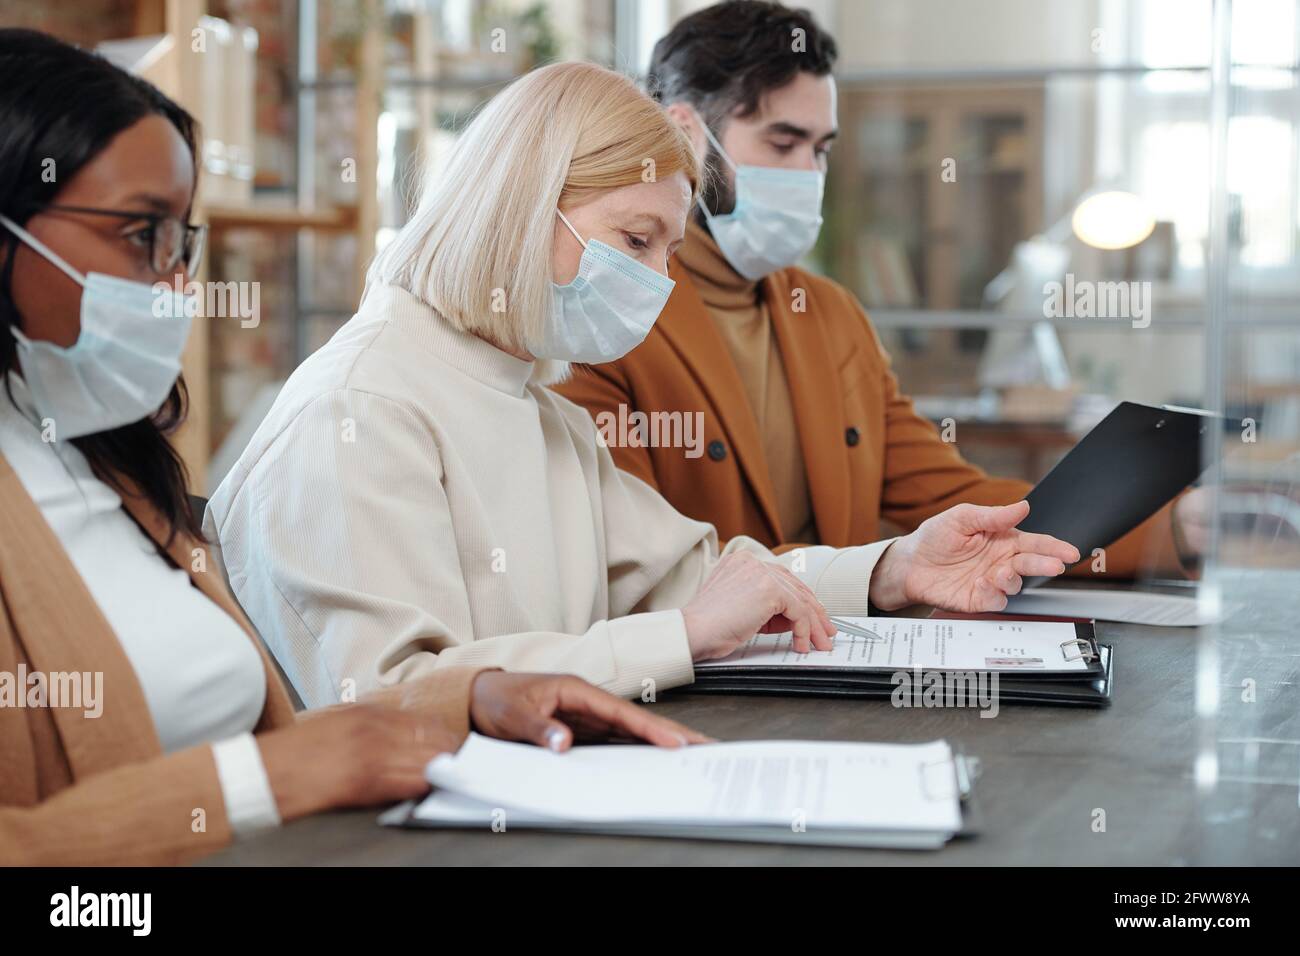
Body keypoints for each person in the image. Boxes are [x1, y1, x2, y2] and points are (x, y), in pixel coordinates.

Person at [0, 29, 706, 867]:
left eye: (182, 242)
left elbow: (296, 730)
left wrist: (475, 695)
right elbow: (290, 747)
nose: (181, 284)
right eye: (137, 233)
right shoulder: (358, 402)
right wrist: (268, 779)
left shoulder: (108, 469)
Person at [208, 60, 1080, 710]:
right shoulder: (359, 407)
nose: (661, 285)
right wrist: (681, 639)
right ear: (521, 207)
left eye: (671, 250)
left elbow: (697, 574)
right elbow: (387, 697)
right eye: (635, 241)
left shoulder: (532, 402)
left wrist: (893, 567)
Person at [553, 0, 1196, 576]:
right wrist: (887, 570)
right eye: (783, 143)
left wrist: (1177, 526)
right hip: (703, 678)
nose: (809, 173)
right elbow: (647, 562)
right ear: (687, 135)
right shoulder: (607, 311)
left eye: (822, 149)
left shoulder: (830, 315)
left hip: (841, 666)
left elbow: (956, 501)